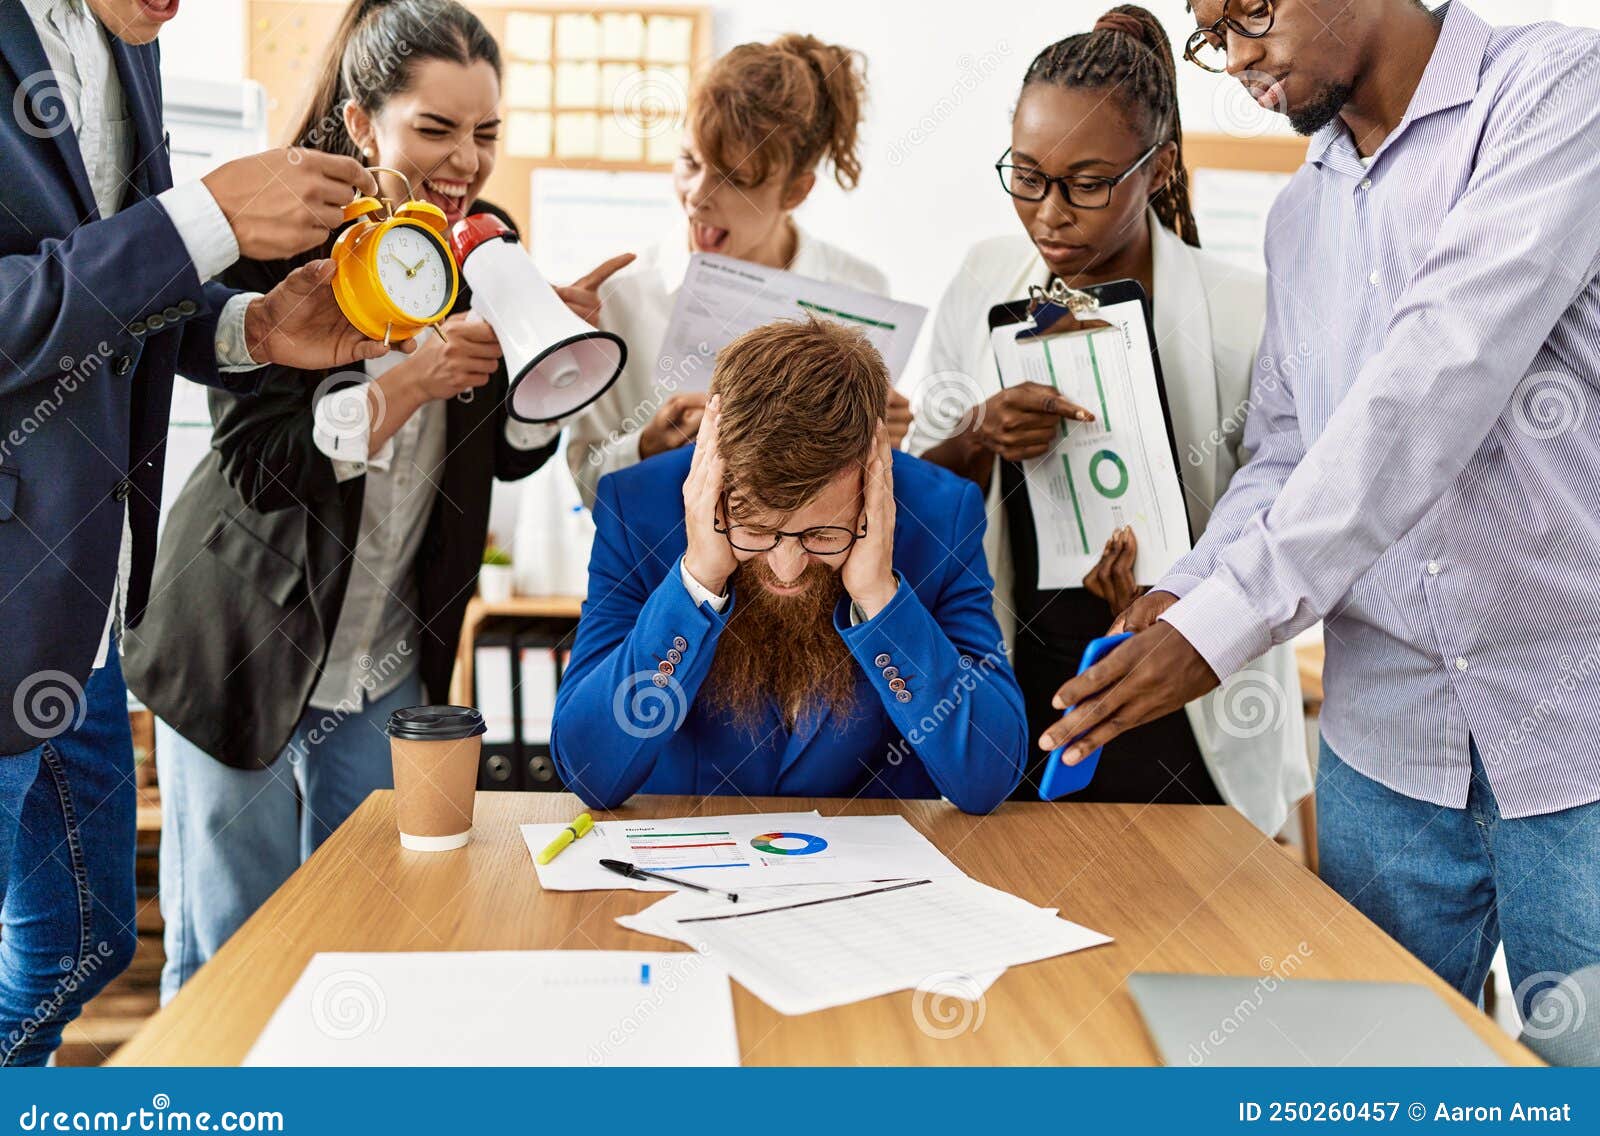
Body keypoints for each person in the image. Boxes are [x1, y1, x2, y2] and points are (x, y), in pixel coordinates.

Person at [1053, 0, 1600, 1018]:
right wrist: (1187, 587)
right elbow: (1288, 452)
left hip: (1577, 742)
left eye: (1250, 10)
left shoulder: (1556, 95)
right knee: (1372, 1086)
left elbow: (1438, 376)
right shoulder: (1300, 215)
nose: (1235, 54)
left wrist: (1224, 627)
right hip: (1383, 748)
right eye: (1210, 31)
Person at [120, 0, 608, 1002]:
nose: (465, 159)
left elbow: (503, 465)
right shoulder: (277, 247)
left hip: (385, 653)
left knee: (375, 931)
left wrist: (543, 364)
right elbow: (261, 468)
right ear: (359, 123)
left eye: (485, 134)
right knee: (228, 953)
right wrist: (407, 383)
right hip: (240, 638)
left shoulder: (488, 244)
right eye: (435, 129)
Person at [0, 0, 398, 1064]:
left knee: (79, 943)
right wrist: (202, 220)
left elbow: (100, 298)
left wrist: (251, 324)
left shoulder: (130, 43)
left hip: (82, 604)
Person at [909, 6, 1308, 829]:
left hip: (1186, 722)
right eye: (1026, 176)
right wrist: (982, 433)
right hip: (1020, 705)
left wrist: (1179, 582)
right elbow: (914, 498)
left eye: (1088, 185)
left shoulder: (1243, 312)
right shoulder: (986, 278)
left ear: (1157, 169)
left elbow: (1291, 516)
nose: (1051, 212)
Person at [551, 318, 1027, 813]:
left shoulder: (943, 514)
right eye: (756, 531)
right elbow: (589, 771)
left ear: (871, 467)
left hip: (874, 877)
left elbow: (990, 776)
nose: (787, 566)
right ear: (716, 472)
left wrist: (881, 599)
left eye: (823, 534)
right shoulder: (636, 507)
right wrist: (696, 580)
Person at [565, 33, 911, 506]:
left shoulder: (857, 291)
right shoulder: (622, 296)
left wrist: (883, 442)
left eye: (736, 179)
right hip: (657, 573)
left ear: (796, 192)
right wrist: (647, 449)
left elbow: (863, 494)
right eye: (690, 161)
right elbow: (587, 484)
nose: (698, 195)